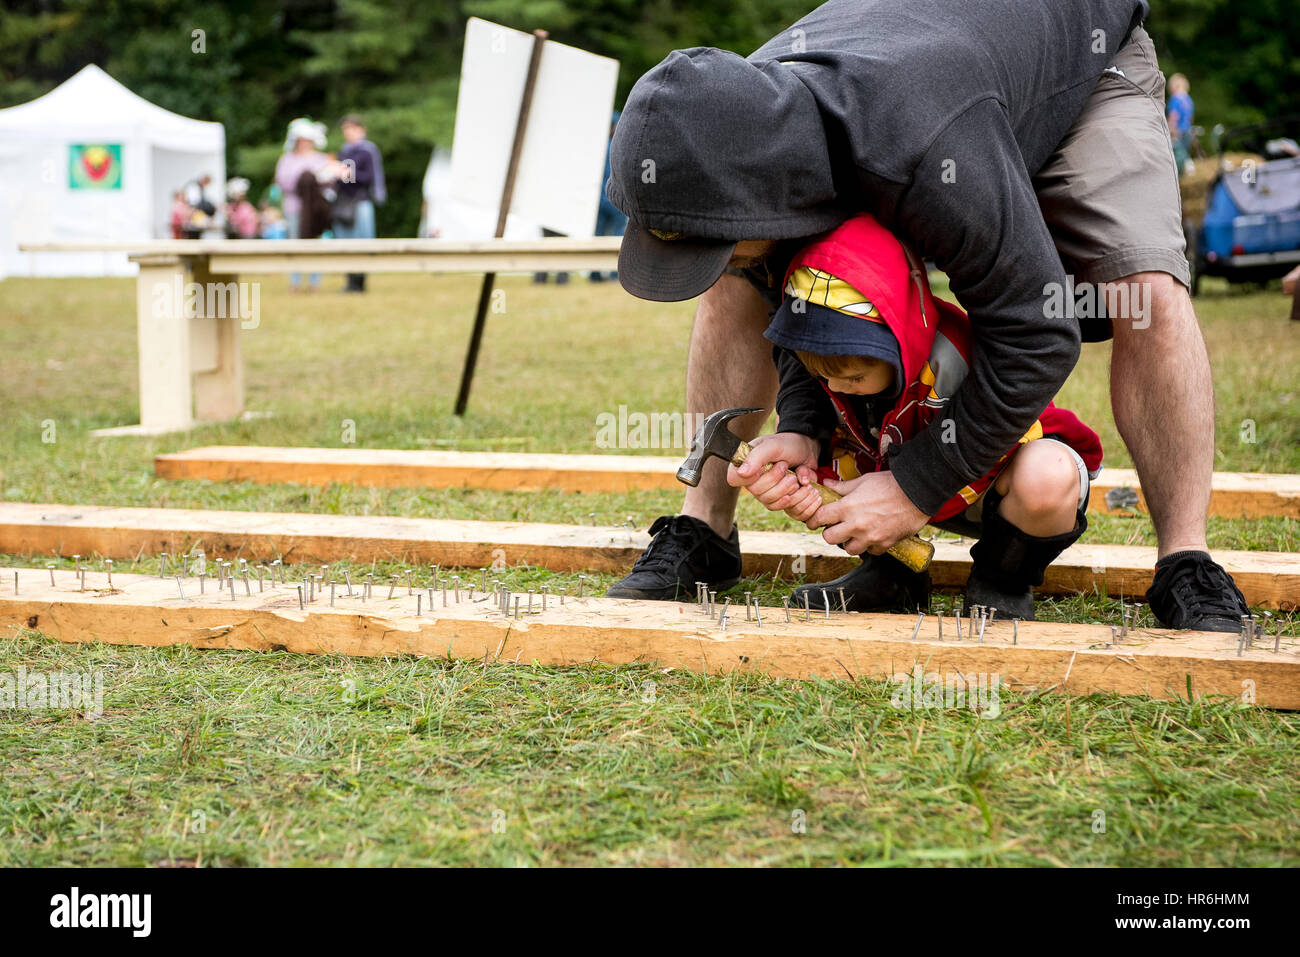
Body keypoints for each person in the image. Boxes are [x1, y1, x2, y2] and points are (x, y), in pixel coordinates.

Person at [604, 0, 1251, 633]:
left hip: (1083, 62)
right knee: (736, 274)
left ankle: (1185, 559)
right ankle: (704, 524)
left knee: (1144, 283)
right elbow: (794, 290)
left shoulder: (921, 139)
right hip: (944, 73)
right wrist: (802, 426)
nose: (704, 261)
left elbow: (1037, 332)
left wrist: (913, 487)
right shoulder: (734, 118)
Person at [729, 214, 1101, 617]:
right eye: (822, 376)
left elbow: (1001, 436)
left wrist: (909, 495)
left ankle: (1002, 581)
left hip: (999, 484)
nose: (836, 389)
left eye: (854, 376)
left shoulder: (958, 362)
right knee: (831, 461)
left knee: (1047, 473)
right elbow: (826, 436)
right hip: (909, 482)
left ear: (900, 339)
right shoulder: (841, 375)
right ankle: (892, 578)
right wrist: (807, 477)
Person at [274, 118, 331, 291]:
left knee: (315, 243)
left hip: (314, 209)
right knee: (294, 243)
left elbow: (329, 180)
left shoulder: (321, 158)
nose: (305, 143)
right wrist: (303, 179)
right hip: (294, 207)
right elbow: (282, 181)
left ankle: (315, 281)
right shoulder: (287, 159)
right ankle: (295, 281)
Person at [334, 114, 387, 292]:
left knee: (362, 241)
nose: (349, 133)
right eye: (346, 129)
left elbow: (370, 177)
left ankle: (360, 282)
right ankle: (350, 281)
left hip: (361, 202)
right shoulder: (344, 151)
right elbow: (342, 181)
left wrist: (350, 174)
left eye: (352, 128)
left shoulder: (368, 150)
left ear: (361, 130)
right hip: (345, 202)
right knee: (345, 243)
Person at [590, 111, 628, 282]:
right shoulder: (621, 146)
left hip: (599, 199)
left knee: (597, 237)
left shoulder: (597, 147)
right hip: (617, 200)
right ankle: (615, 273)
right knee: (618, 236)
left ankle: (595, 272)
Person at [1167, 73, 1195, 174]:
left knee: (1177, 156)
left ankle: (1177, 176)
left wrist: (1170, 129)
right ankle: (1187, 169)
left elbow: (1174, 116)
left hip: (1178, 132)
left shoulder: (1175, 99)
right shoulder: (1189, 100)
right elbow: (1191, 118)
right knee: (1184, 153)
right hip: (1187, 131)